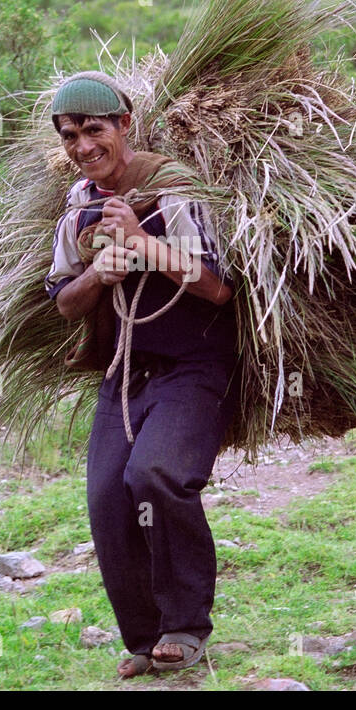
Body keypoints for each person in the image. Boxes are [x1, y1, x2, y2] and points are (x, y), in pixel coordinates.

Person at [43, 71, 241, 678]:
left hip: (195, 366)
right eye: (70, 135)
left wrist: (144, 245)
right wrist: (98, 273)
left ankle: (185, 626)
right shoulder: (77, 207)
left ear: (124, 125)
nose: (82, 147)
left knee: (156, 475)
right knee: (106, 497)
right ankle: (142, 639)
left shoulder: (172, 188)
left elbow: (218, 289)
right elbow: (63, 301)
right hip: (126, 372)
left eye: (94, 130)